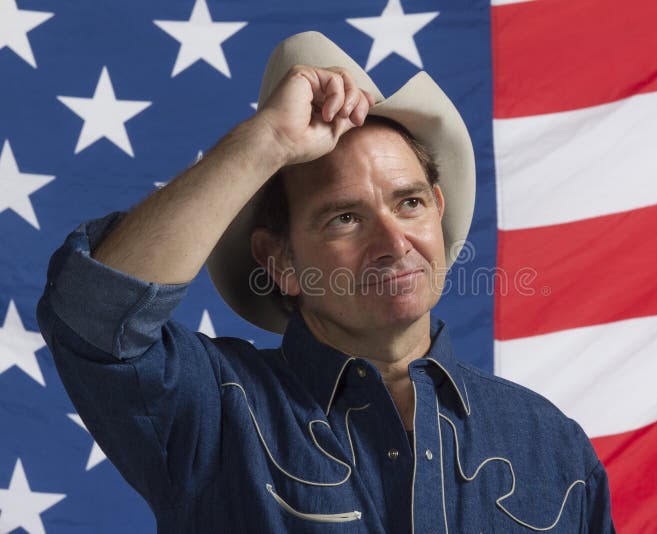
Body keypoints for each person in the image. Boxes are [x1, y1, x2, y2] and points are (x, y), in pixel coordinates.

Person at [37, 31, 615, 532]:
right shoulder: (214, 409)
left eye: (409, 203)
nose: (393, 243)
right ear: (279, 261)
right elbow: (96, 315)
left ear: (438, 212)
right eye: (345, 217)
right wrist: (269, 142)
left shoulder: (552, 444)